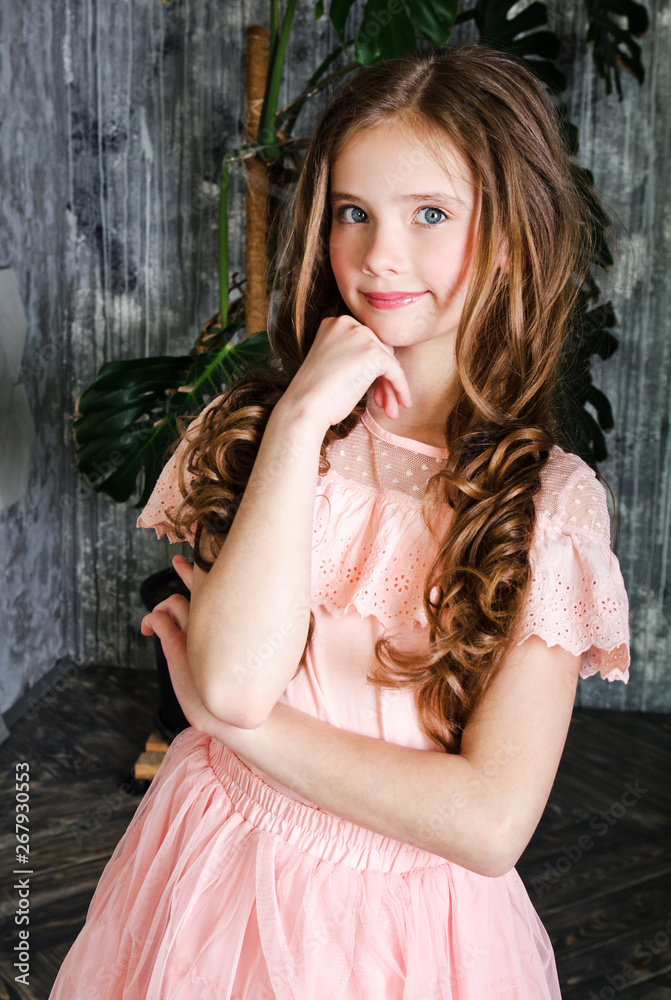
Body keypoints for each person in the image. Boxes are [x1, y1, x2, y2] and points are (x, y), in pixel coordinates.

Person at [49, 42, 630, 1000]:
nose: (377, 257)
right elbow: (236, 676)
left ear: (513, 237)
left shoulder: (547, 501)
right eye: (352, 213)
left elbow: (487, 824)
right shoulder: (263, 431)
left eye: (430, 215)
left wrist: (243, 733)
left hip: (404, 929)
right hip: (211, 864)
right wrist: (300, 419)